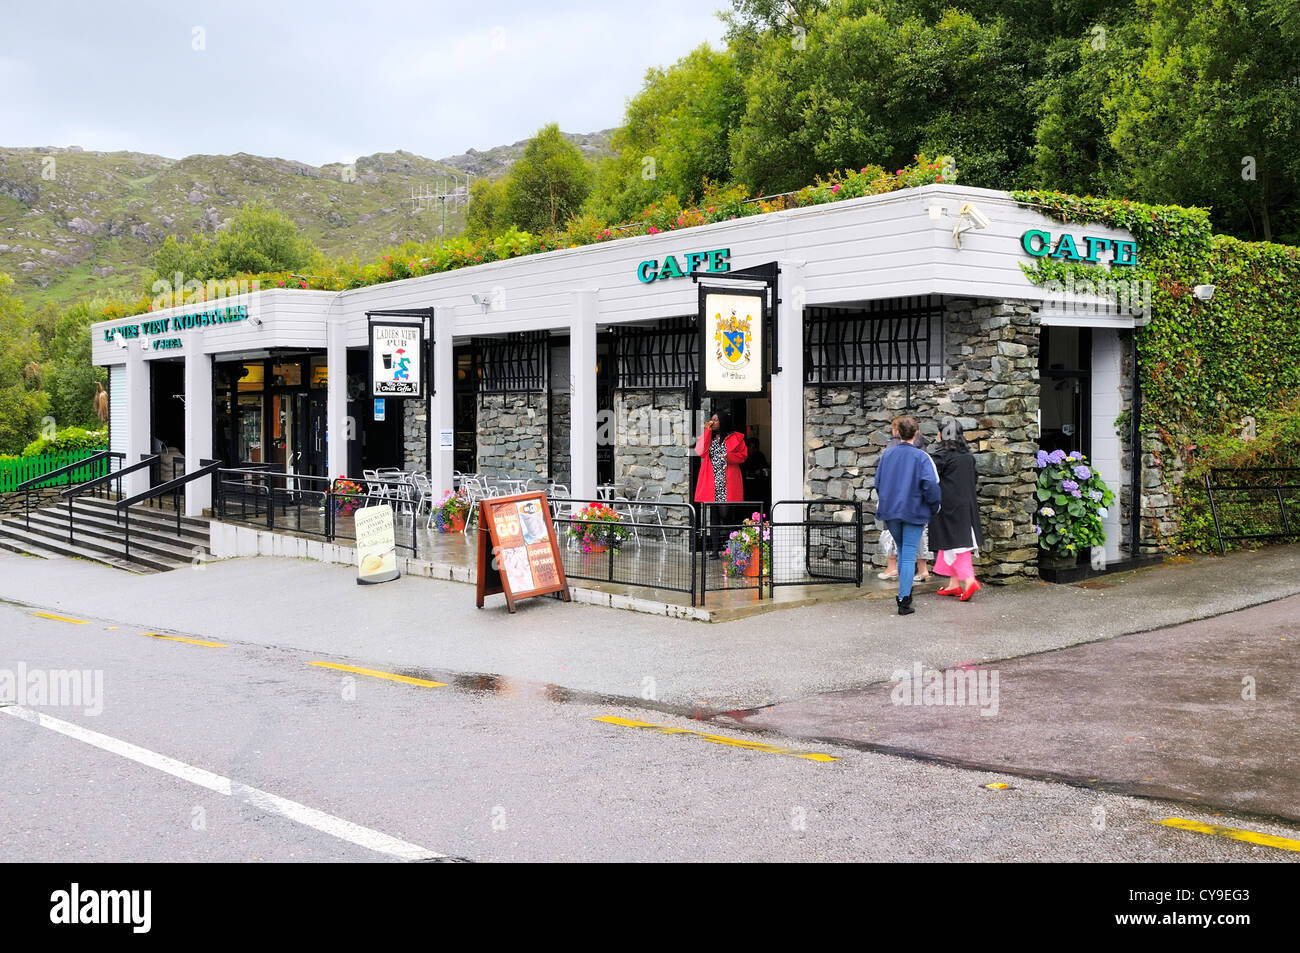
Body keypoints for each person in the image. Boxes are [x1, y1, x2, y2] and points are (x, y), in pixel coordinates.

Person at [874, 416, 941, 615]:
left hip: (891, 511)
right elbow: (930, 484)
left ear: (897, 432)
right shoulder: (921, 457)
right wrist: (934, 506)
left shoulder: (887, 455)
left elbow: (878, 483)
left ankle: (905, 596)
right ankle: (904, 599)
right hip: (913, 510)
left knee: (903, 550)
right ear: (916, 433)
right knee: (908, 552)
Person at [929, 416, 985, 601]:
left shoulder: (941, 457)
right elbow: (974, 480)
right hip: (966, 505)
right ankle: (954, 585)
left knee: (957, 544)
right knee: (955, 543)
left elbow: (930, 480)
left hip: (948, 506)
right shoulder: (968, 457)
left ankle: (969, 580)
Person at [877, 416, 931, 582]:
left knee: (894, 538)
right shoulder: (923, 449)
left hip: (895, 501)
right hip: (918, 503)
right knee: (921, 535)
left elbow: (880, 480)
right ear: (916, 431)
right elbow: (930, 480)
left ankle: (893, 569)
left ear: (896, 430)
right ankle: (923, 570)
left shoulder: (892, 448)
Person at [694, 411, 748, 557]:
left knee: (726, 515)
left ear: (723, 421)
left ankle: (732, 546)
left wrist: (729, 457)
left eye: (716, 420)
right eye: (712, 420)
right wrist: (706, 431)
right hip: (712, 480)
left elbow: (743, 455)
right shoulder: (709, 437)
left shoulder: (735, 437)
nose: (713, 422)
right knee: (714, 516)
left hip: (727, 480)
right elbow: (700, 451)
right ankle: (715, 549)